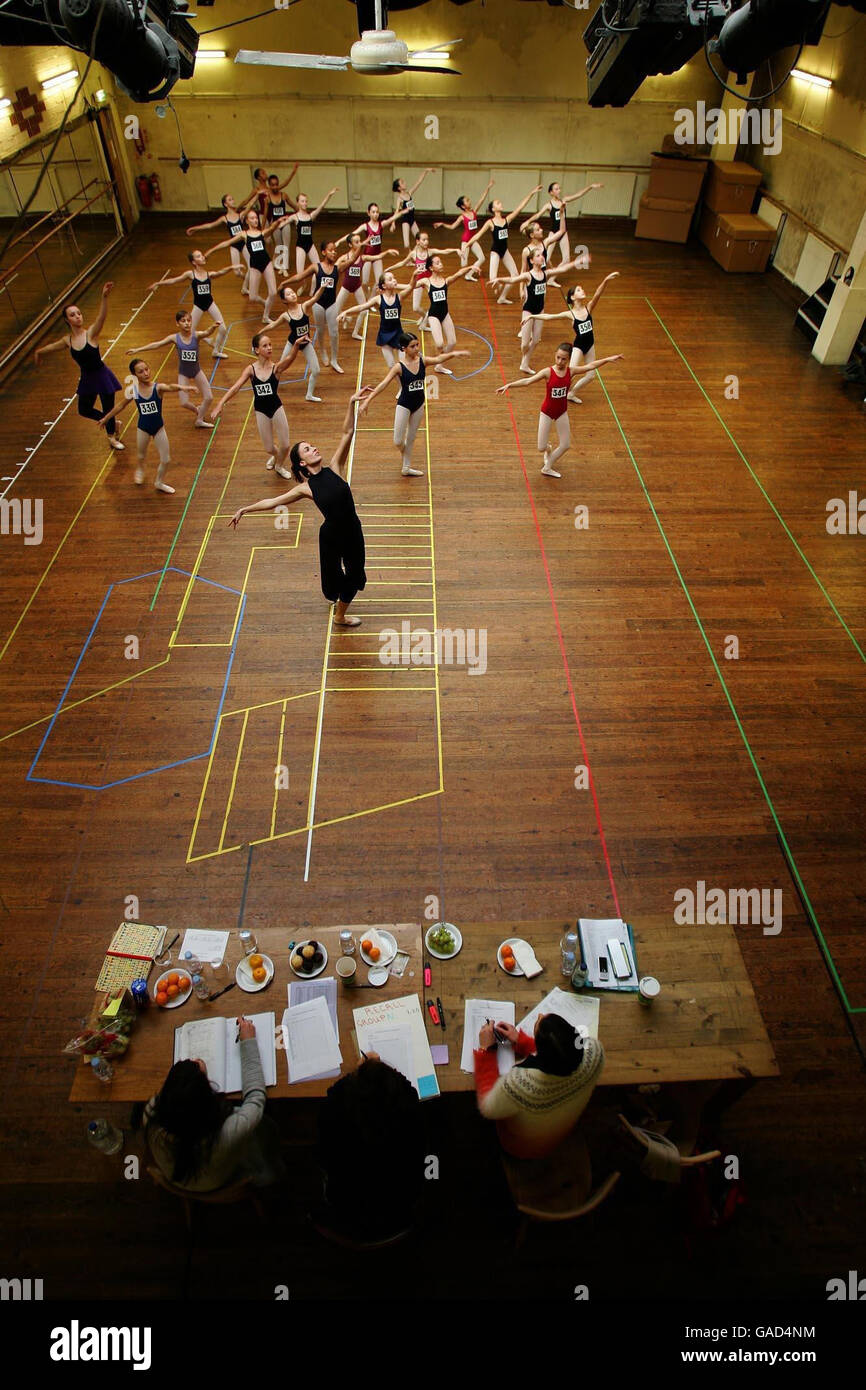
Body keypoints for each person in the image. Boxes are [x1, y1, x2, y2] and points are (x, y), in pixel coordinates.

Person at [229, 388, 371, 627]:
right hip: (332, 536)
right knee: (335, 580)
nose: (314, 448)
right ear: (302, 463)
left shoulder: (335, 467)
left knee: (357, 576)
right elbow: (272, 502)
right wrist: (245, 509)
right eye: (308, 449)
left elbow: (348, 432)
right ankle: (340, 616)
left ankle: (339, 607)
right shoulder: (306, 488)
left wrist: (350, 402)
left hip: (353, 530)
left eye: (312, 445)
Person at [144, 1016, 284, 1192]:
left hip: (179, 1179)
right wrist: (248, 1043)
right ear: (206, 1102)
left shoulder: (152, 1114)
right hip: (217, 1182)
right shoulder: (227, 1132)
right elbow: (255, 1098)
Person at [315, 1055, 426, 1240]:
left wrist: (361, 1072)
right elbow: (409, 1092)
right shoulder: (408, 1116)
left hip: (345, 1212)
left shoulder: (333, 1117)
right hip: (400, 1209)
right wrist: (379, 1071)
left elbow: (332, 1095)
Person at [474, 1012, 605, 1159]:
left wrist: (486, 1051)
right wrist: (522, 1042)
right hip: (561, 1130)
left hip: (522, 1149)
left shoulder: (522, 1084)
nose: (541, 1015)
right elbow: (562, 1057)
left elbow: (488, 1107)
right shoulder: (595, 1053)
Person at [497, 342, 624, 478]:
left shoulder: (571, 371)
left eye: (563, 359)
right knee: (541, 447)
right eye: (558, 357)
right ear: (555, 355)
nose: (559, 361)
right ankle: (548, 449)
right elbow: (528, 381)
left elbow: (590, 366)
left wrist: (607, 360)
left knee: (565, 445)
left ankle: (547, 467)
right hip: (546, 411)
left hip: (561, 412)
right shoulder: (548, 372)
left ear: (568, 359)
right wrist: (509, 385)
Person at [359, 331, 469, 476]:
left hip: (419, 405)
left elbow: (438, 358)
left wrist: (454, 354)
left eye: (417, 345)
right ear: (403, 348)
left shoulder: (422, 361)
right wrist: (367, 400)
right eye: (413, 346)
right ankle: (406, 455)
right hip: (404, 404)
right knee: (398, 441)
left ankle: (406, 467)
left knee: (411, 438)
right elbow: (383, 384)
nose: (417, 348)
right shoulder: (399, 367)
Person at [33, 282, 125, 451]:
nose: (77, 317)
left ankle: (112, 437)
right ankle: (111, 421)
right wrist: (39, 352)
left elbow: (101, 317)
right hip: (87, 378)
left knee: (108, 407)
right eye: (73, 315)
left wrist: (104, 297)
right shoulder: (67, 340)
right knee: (84, 409)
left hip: (102, 376)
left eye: (79, 313)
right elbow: (52, 347)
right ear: (67, 320)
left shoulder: (91, 334)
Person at [211, 333, 301, 479]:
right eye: (265, 345)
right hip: (261, 410)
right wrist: (220, 403)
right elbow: (236, 387)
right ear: (257, 350)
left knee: (285, 445)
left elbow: (290, 359)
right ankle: (276, 457)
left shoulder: (276, 368)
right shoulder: (251, 369)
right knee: (269, 448)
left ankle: (279, 465)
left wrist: (296, 345)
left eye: (270, 344)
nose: (269, 348)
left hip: (276, 407)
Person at [97, 357, 189, 494]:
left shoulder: (157, 388)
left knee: (166, 459)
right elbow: (121, 405)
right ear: (134, 375)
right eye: (141, 372)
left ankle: (159, 482)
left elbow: (170, 387)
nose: (145, 373)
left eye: (146, 369)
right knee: (141, 456)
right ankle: (140, 469)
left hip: (159, 428)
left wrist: (185, 387)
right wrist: (106, 418)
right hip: (143, 428)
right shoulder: (133, 390)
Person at [492, 244, 587, 374]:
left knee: (536, 340)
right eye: (538, 256)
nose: (541, 257)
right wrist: (499, 279)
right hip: (528, 310)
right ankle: (524, 359)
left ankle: (524, 364)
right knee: (525, 345)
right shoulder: (528, 276)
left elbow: (563, 269)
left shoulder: (546, 274)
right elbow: (513, 279)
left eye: (541, 255)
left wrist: (577, 262)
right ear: (531, 261)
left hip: (540, 310)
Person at [535, 273, 621, 401]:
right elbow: (549, 316)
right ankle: (557, 392)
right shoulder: (570, 314)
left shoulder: (589, 308)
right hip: (579, 346)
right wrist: (531, 317)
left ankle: (571, 393)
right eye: (579, 290)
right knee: (569, 373)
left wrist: (605, 280)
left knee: (591, 375)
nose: (583, 291)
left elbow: (598, 293)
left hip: (590, 344)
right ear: (572, 296)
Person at [131, 308, 217, 429]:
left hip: (197, 371)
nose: (187, 323)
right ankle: (197, 410)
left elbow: (207, 332)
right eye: (183, 321)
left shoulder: (196, 335)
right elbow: (157, 344)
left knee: (209, 397)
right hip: (183, 373)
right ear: (177, 323)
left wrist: (213, 327)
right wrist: (138, 349)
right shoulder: (174, 338)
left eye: (189, 320)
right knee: (184, 402)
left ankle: (199, 420)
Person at [206, 209, 292, 324]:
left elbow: (272, 228)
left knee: (273, 292)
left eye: (256, 218)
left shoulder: (261, 233)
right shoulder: (244, 234)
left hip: (266, 263)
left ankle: (265, 317)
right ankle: (265, 304)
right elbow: (227, 243)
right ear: (246, 221)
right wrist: (211, 251)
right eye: (252, 218)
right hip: (254, 265)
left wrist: (278, 221)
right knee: (252, 297)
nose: (255, 220)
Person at [464, 184, 542, 304]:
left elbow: (519, 208)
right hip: (495, 251)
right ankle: (499, 286)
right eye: (498, 203)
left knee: (515, 275)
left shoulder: (507, 219)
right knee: (492, 279)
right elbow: (478, 235)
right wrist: (467, 245)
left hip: (505, 250)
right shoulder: (490, 223)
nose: (501, 204)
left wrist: (531, 193)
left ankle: (502, 297)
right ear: (493, 209)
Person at [148, 250, 234, 357]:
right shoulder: (190, 274)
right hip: (198, 305)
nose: (202, 257)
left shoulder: (209, 274)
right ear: (194, 262)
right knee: (189, 331)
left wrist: (231, 268)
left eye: (202, 255)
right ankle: (203, 340)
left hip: (210, 303)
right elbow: (174, 280)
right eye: (199, 256)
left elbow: (220, 273)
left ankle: (215, 351)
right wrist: (158, 283)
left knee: (223, 329)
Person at [338, 269, 414, 368]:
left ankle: (405, 382)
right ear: (384, 286)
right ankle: (400, 384)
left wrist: (414, 275)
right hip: (385, 335)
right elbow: (361, 307)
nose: (394, 280)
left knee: (405, 365)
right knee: (391, 366)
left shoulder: (399, 297)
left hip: (398, 334)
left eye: (394, 278)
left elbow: (412, 286)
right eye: (390, 279)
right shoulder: (378, 299)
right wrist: (346, 311)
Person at [265, 283, 326, 402]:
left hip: (306, 343)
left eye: (293, 292)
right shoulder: (285, 315)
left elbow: (315, 297)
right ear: (284, 300)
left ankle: (309, 395)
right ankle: (271, 391)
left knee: (316, 370)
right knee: (279, 368)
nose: (293, 295)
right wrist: (260, 332)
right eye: (288, 294)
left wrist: (323, 286)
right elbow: (272, 325)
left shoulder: (304, 307)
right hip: (292, 343)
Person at [524, 181, 603, 266]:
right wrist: (528, 221)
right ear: (551, 192)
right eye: (556, 189)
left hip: (563, 232)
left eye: (559, 188)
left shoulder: (564, 200)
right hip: (554, 233)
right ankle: (548, 274)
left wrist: (590, 186)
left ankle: (552, 277)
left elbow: (578, 195)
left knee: (566, 260)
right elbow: (537, 215)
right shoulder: (548, 205)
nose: (559, 191)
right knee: (546, 259)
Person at [391, 230, 458, 329]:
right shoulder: (413, 254)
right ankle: (425, 316)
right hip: (419, 282)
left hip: (429, 282)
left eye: (427, 239)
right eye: (424, 240)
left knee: (435, 304)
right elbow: (402, 263)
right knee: (415, 308)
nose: (426, 242)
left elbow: (444, 251)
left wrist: (456, 250)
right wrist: (389, 268)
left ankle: (424, 324)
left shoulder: (430, 252)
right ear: (418, 241)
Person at [185, 190, 257, 279]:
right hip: (234, 245)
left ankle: (246, 287)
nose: (233, 201)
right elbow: (209, 225)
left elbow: (250, 205)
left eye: (233, 199)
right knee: (237, 272)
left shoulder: (240, 215)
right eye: (230, 200)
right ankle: (247, 282)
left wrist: (258, 194)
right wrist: (194, 229)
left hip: (244, 244)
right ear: (225, 204)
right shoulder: (224, 218)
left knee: (251, 267)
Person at [417, 256, 474, 365]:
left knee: (452, 342)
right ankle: (439, 361)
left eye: (441, 262)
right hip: (433, 315)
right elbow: (410, 286)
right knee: (439, 344)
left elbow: (458, 274)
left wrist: (471, 267)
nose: (441, 264)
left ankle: (439, 364)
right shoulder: (426, 281)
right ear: (431, 267)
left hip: (445, 314)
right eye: (437, 263)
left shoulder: (446, 281)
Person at [434, 178, 494, 280]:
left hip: (473, 240)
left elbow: (481, 199)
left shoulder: (474, 211)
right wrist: (442, 224)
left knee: (482, 258)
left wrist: (488, 187)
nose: (469, 201)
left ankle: (469, 275)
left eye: (468, 200)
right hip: (466, 241)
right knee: (463, 264)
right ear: (463, 206)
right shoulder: (462, 217)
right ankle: (463, 263)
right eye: (467, 201)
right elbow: (453, 227)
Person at [285, 187, 339, 275]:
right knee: (300, 273)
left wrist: (329, 195)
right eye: (302, 201)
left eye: (306, 201)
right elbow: (282, 224)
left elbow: (321, 206)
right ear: (298, 203)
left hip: (310, 245)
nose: (305, 203)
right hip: (300, 246)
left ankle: (316, 287)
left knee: (318, 268)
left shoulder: (311, 216)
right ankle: (303, 285)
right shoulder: (295, 217)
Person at [392, 168, 437, 247]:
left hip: (412, 220)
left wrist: (426, 170)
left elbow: (419, 182)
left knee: (420, 240)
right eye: (402, 183)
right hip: (405, 221)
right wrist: (393, 223)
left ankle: (417, 256)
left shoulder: (409, 193)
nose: (404, 183)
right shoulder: (400, 198)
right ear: (399, 188)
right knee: (406, 244)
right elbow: (396, 211)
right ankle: (409, 258)